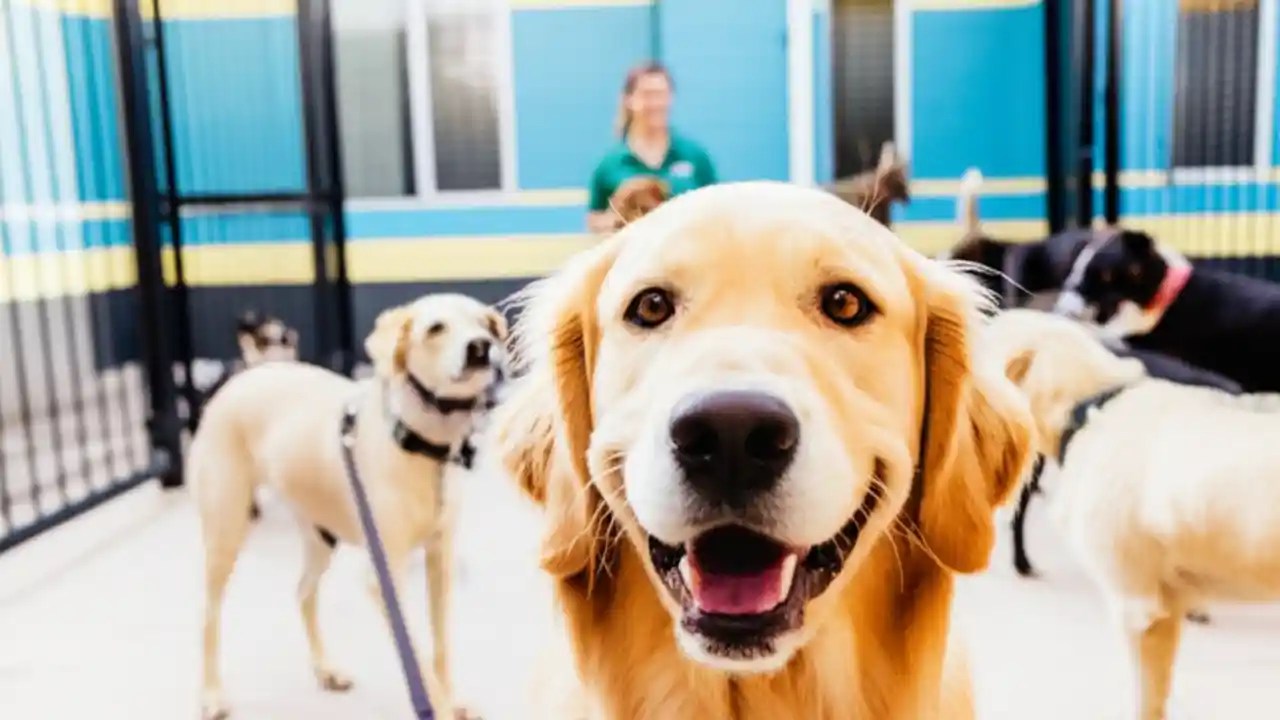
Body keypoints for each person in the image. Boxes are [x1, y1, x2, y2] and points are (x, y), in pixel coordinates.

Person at [586, 63, 718, 233]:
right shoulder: (610, 164)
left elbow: (717, 210)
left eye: (661, 94)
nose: (655, 103)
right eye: (647, 95)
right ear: (629, 100)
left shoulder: (695, 156)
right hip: (635, 257)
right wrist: (619, 220)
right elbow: (594, 220)